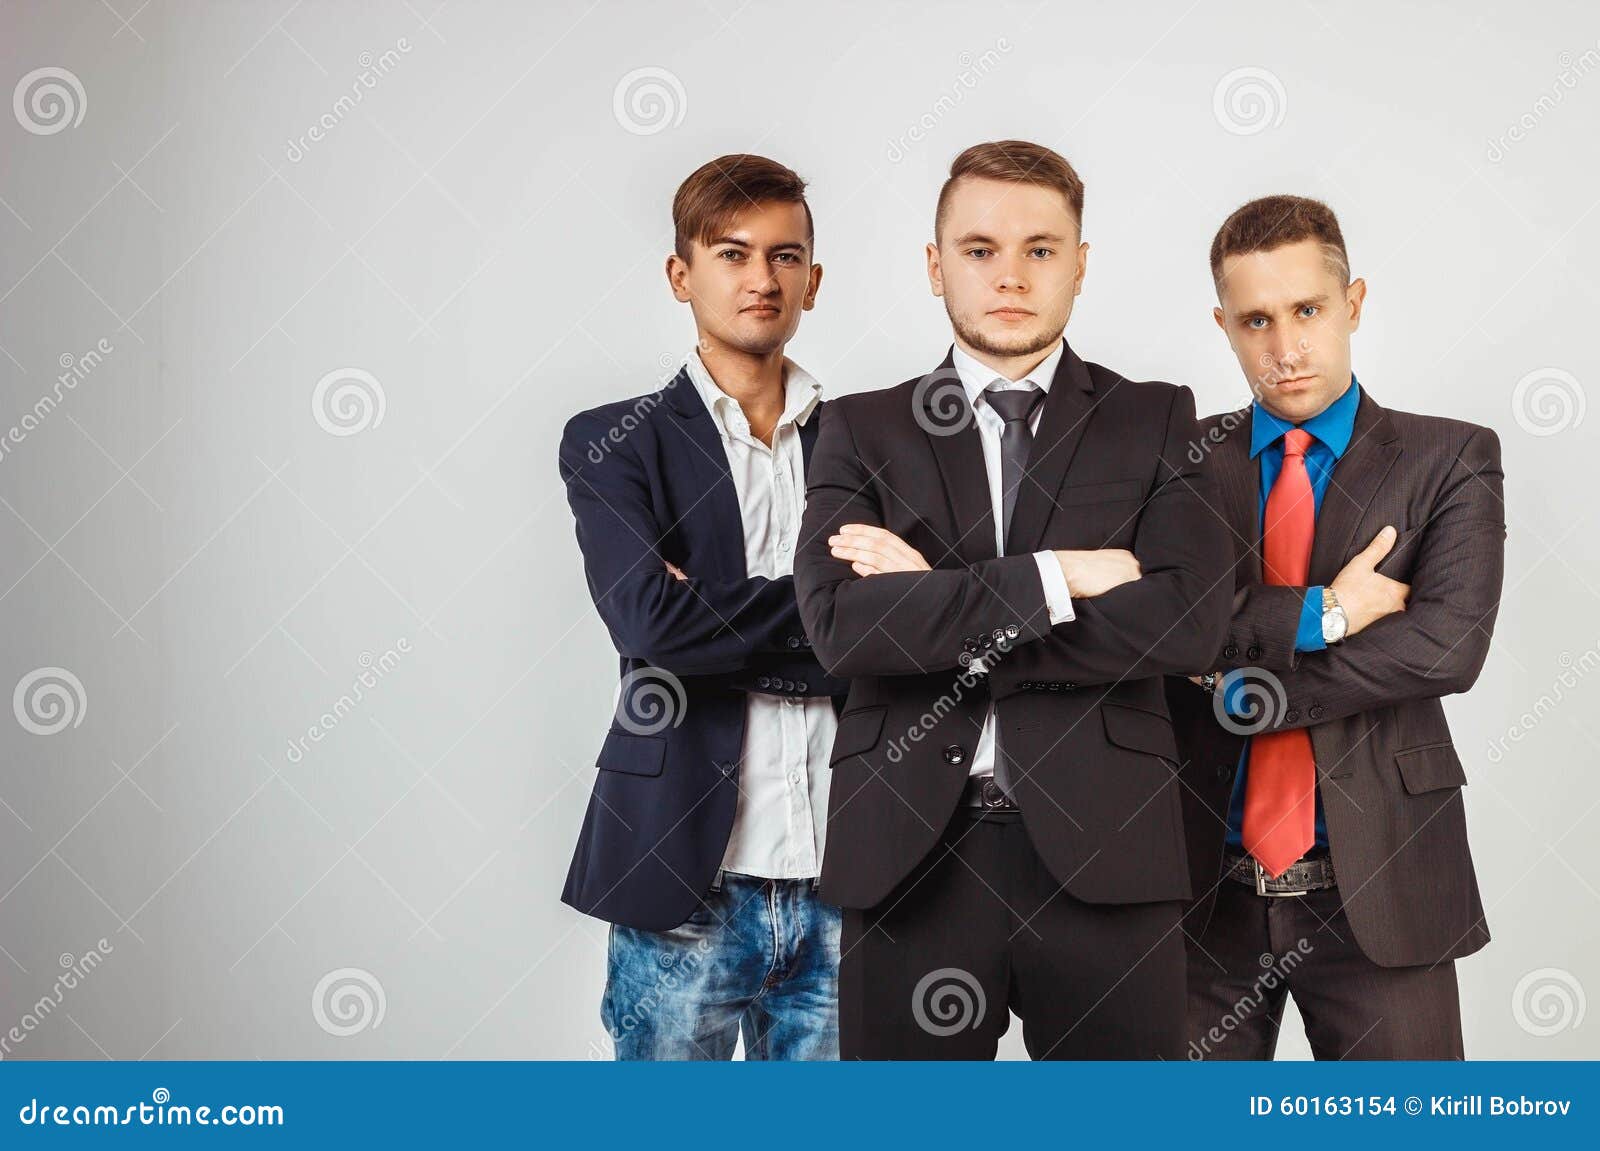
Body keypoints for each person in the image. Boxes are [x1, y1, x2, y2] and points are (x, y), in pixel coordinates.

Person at [793, 140, 1231, 1059]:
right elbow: (841, 628)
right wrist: (1059, 578)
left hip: (1110, 853)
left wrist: (935, 602)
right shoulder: (859, 427)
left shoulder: (1154, 416)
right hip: (911, 854)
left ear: (1079, 264)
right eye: (979, 248)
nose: (1010, 275)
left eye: (1040, 249)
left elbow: (1188, 624)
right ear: (934, 264)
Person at [1170, 194, 1505, 1060]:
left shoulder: (1451, 458)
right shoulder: (1180, 467)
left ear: (1352, 303)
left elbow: (1445, 646)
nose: (1284, 350)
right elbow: (1163, 632)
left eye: (1308, 311)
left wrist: (1241, 686)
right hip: (1204, 896)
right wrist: (1334, 614)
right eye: (1256, 320)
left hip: (1384, 889)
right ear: (1223, 325)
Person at [558, 154, 848, 1060]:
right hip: (685, 874)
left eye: (784, 255)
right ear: (682, 276)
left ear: (813, 278)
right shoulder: (616, 442)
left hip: (849, 876)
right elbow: (650, 624)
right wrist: (830, 611)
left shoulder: (871, 441)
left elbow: (903, 633)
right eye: (732, 254)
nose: (761, 277)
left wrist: (713, 622)